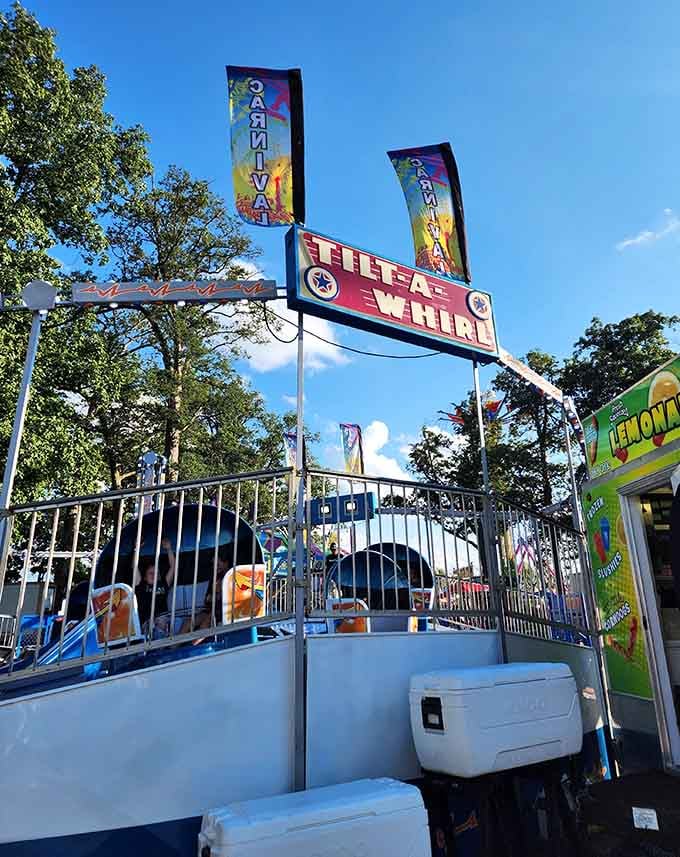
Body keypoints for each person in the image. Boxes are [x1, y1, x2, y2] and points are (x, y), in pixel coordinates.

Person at [134, 538, 176, 638]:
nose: (154, 575)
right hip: (148, 621)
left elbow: (173, 566)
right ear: (144, 576)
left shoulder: (164, 584)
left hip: (163, 618)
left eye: (156, 573)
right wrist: (136, 550)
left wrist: (169, 549)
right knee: (152, 627)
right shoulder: (140, 585)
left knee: (166, 622)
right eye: (151, 573)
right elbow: (135, 567)